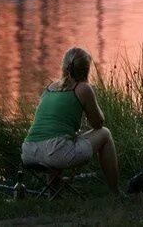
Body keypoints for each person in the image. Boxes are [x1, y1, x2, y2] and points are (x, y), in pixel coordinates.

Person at [21, 47, 122, 195]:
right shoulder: (83, 88)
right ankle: (116, 192)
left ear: (63, 66)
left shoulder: (49, 88)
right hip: (56, 152)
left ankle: (53, 194)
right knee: (105, 134)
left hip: (28, 153)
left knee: (61, 140)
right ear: (86, 70)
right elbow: (98, 124)